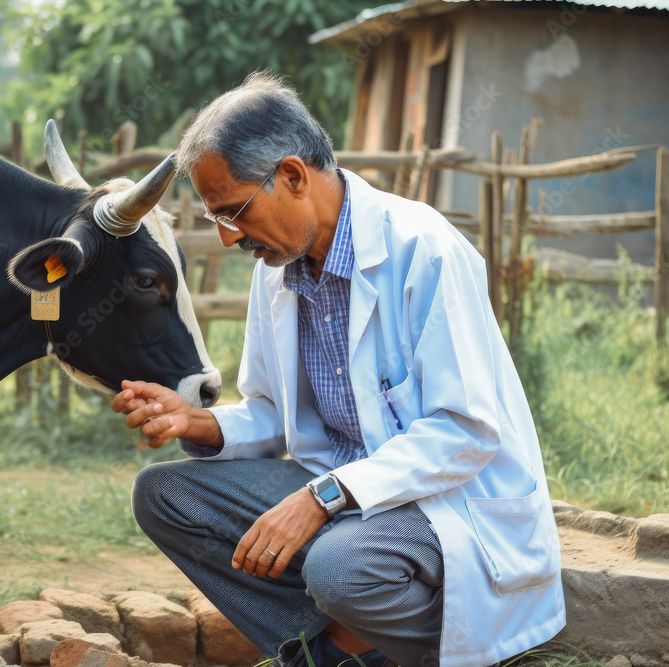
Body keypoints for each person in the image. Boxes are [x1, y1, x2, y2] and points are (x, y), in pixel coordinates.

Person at [111, 71, 565, 667]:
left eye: (234, 211)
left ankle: (401, 647)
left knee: (340, 569)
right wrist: (197, 423)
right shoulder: (275, 270)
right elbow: (275, 412)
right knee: (165, 495)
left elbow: (466, 432)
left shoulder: (423, 249)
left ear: (294, 176)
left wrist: (321, 498)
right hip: (344, 496)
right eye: (217, 218)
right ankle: (332, 650)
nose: (226, 238)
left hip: (443, 501)